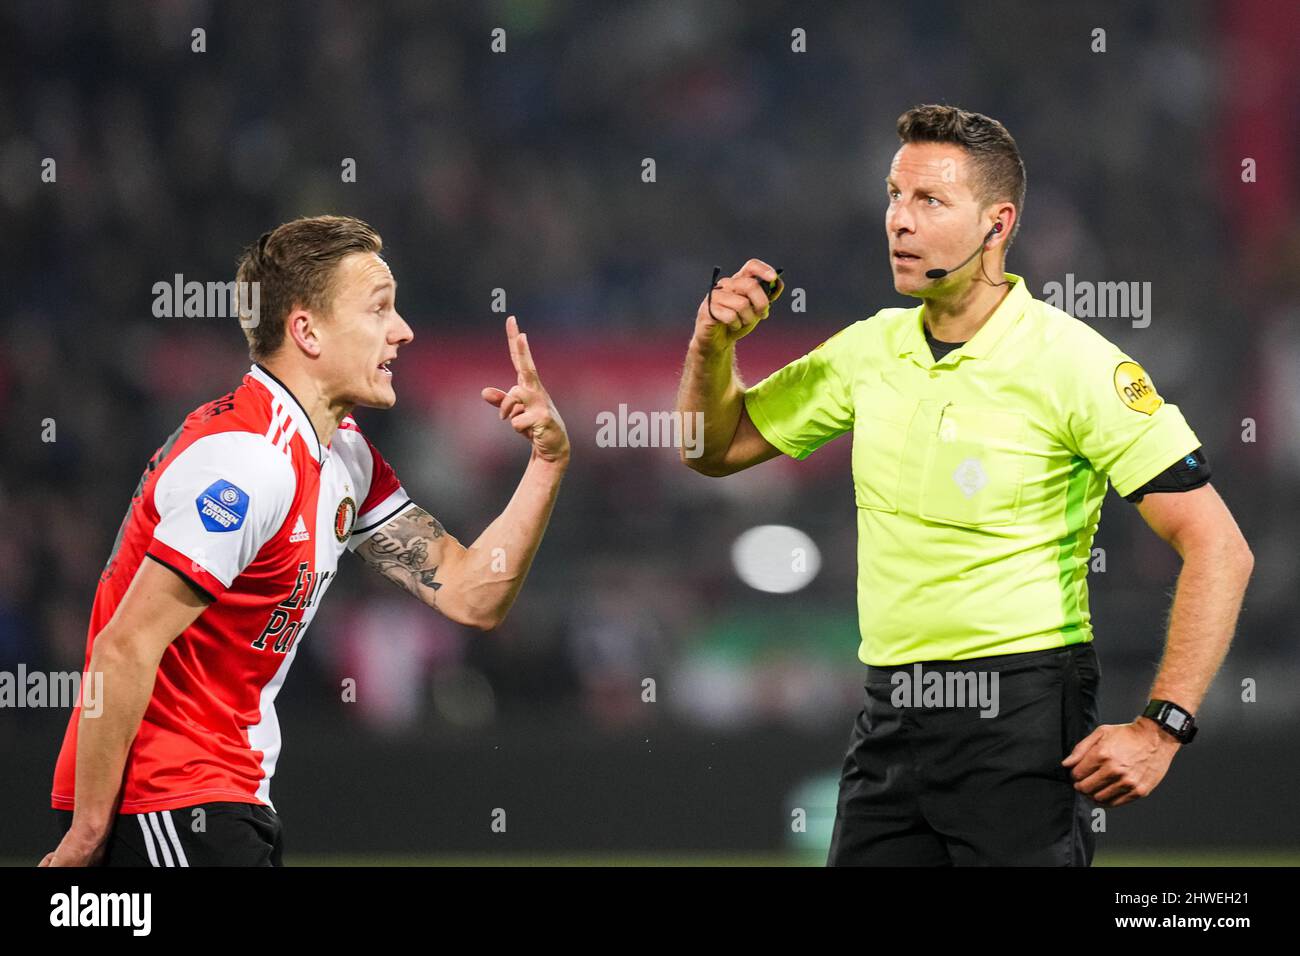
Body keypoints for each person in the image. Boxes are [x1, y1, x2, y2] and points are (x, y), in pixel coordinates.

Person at [675, 105, 1254, 866]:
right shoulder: (869, 349)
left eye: (929, 201)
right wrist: (711, 346)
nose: (899, 222)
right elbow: (707, 449)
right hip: (890, 715)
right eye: (893, 195)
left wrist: (1162, 727)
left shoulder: (1073, 362)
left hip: (1020, 714)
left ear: (997, 223)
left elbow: (1220, 546)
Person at [43, 215, 569, 866]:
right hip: (167, 806)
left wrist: (545, 464)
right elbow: (123, 646)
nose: (402, 331)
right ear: (306, 330)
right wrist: (90, 832)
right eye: (379, 310)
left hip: (222, 804)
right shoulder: (247, 460)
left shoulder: (343, 457)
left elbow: (471, 593)